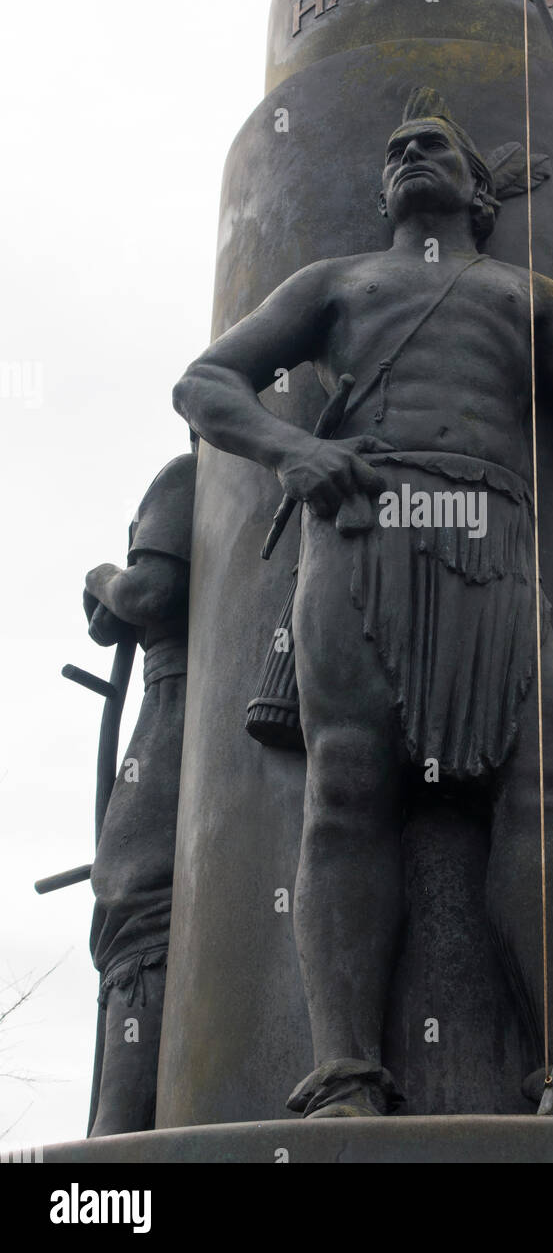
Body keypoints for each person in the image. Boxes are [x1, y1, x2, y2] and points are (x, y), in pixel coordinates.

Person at [174, 87, 553, 1120]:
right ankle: (343, 1075)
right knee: (346, 783)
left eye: (433, 145)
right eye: (395, 149)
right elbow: (206, 384)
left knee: (550, 782)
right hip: (360, 539)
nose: (409, 155)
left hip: (494, 549)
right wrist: (295, 451)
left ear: (478, 189)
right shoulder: (332, 283)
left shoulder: (527, 299)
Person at [83, 446, 196, 1135]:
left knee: (136, 896)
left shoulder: (193, 477)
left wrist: (100, 576)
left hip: (180, 719)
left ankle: (120, 1140)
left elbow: (147, 593)